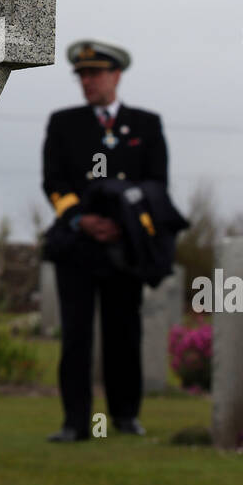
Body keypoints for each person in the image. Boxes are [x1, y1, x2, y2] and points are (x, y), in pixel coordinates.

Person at [42, 39, 169, 440]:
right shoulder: (64, 123)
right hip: (77, 244)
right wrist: (81, 218)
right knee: (77, 336)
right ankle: (75, 423)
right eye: (81, 74)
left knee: (124, 334)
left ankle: (126, 416)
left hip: (124, 248)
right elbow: (54, 181)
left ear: (116, 75)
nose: (87, 81)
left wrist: (124, 224)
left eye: (95, 73)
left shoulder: (146, 125)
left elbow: (156, 184)